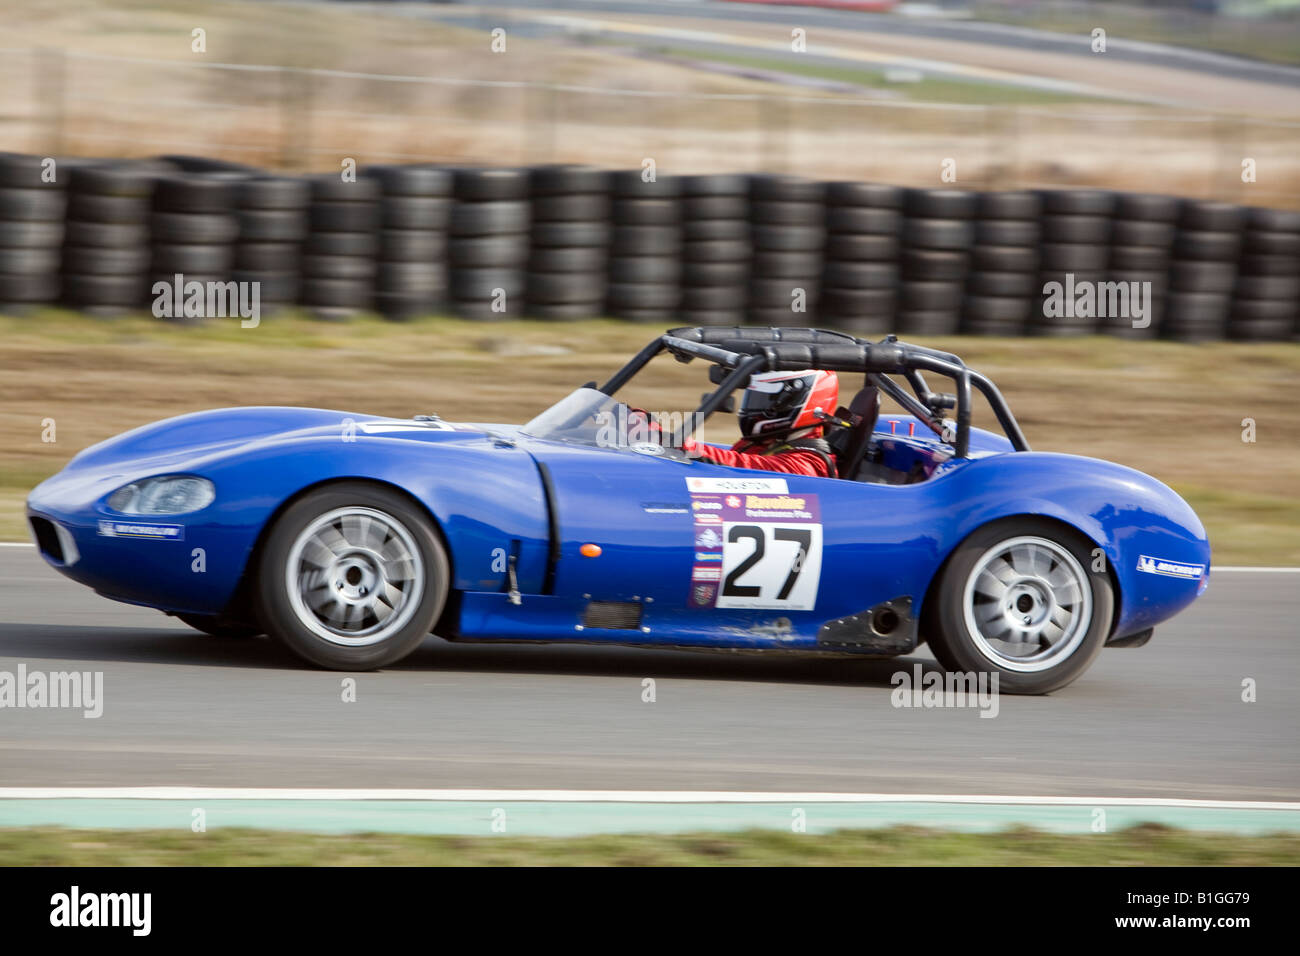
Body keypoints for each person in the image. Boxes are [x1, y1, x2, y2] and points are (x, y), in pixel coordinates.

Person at [657, 369, 839, 478]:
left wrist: (667, 439)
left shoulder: (808, 464)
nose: (756, 407)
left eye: (766, 399)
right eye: (754, 397)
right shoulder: (763, 443)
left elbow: (740, 465)